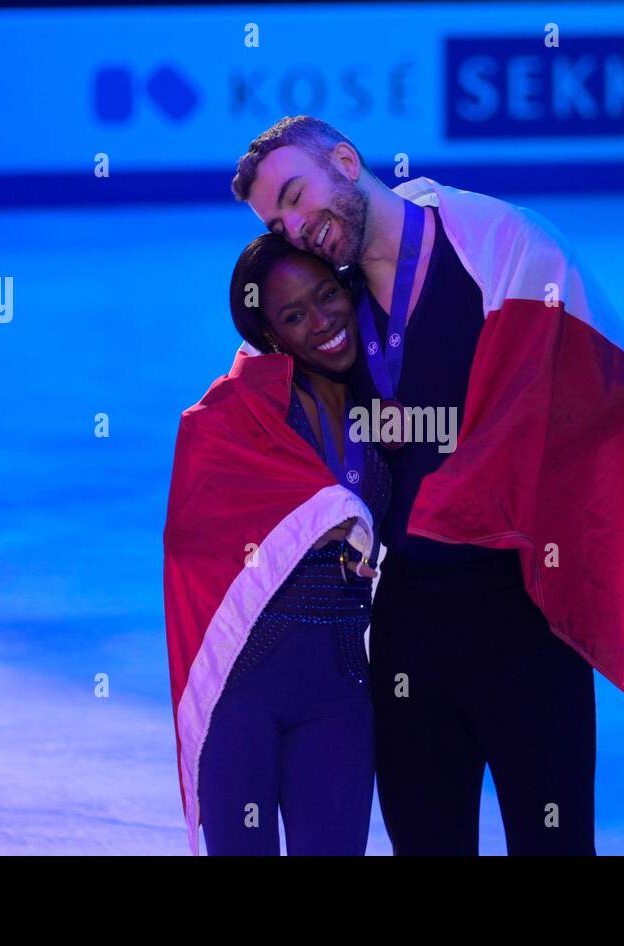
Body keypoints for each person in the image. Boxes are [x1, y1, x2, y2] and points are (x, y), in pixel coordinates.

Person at [231, 116, 624, 856]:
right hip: (407, 636)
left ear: (346, 159)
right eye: (280, 220)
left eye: (299, 196)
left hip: (526, 625)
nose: (298, 226)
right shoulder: (328, 314)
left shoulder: (503, 249)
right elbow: (278, 439)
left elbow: (598, 409)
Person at [162, 234, 390, 855]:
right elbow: (189, 542)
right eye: (294, 316)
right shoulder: (228, 422)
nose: (322, 322)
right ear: (269, 336)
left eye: (328, 295)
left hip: (340, 693)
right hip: (239, 697)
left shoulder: (390, 407)